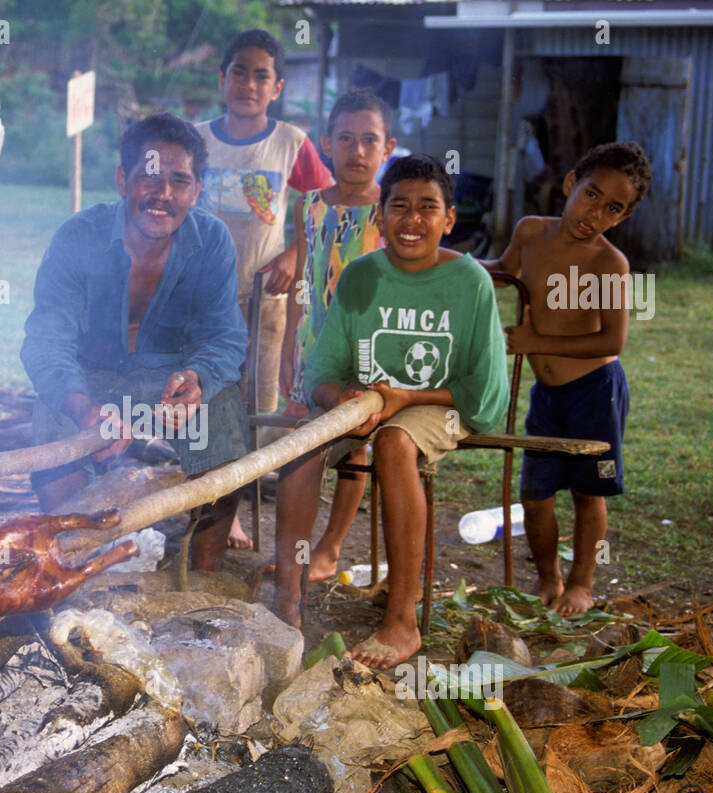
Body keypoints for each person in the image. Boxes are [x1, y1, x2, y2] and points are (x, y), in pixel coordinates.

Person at [273, 154, 508, 668]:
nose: (412, 219)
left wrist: (405, 399)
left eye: (428, 208)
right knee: (302, 445)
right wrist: (342, 401)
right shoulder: (360, 277)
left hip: (437, 404)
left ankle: (402, 621)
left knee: (395, 443)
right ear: (380, 216)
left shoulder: (470, 282)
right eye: (399, 206)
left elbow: (485, 392)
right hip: (368, 403)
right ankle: (289, 594)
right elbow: (322, 373)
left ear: (449, 219)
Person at [20, 112, 248, 570]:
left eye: (179, 181)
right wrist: (82, 407)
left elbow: (224, 336)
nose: (163, 194)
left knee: (222, 412)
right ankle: (74, 564)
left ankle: (202, 580)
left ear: (196, 190)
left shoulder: (212, 242)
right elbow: (45, 338)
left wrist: (198, 377)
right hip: (92, 383)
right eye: (149, 176)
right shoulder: (78, 236)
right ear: (123, 180)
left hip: (165, 388)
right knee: (51, 414)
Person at [480, 141, 651, 615]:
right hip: (547, 396)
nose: (595, 213)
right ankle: (547, 578)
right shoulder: (531, 233)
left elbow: (612, 341)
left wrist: (537, 342)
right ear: (571, 183)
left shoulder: (608, 264)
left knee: (588, 492)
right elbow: (500, 272)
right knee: (535, 496)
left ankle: (581, 582)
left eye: (612, 208)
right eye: (592, 194)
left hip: (596, 393)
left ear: (621, 218)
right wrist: (448, 263)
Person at [195, 28, 333, 548]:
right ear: (222, 79)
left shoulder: (290, 143)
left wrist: (295, 253)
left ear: (276, 88)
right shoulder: (198, 139)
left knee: (255, 400)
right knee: (210, 396)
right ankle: (214, 506)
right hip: (204, 299)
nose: (248, 84)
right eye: (238, 72)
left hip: (263, 300)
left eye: (261, 76)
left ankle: (241, 503)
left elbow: (323, 205)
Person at [276, 87, 396, 582]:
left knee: (353, 448)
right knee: (300, 444)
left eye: (370, 140)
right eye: (346, 138)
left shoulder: (393, 210)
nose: (358, 150)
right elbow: (303, 279)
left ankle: (330, 546)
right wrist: (288, 342)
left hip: (367, 351)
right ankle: (292, 557)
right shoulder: (308, 205)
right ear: (326, 143)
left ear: (388, 148)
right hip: (311, 347)